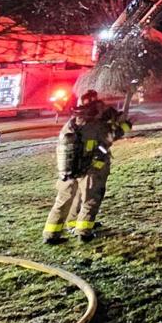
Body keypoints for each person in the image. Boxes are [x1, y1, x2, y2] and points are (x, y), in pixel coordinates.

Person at [41, 91, 102, 244]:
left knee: (63, 200)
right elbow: (103, 143)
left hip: (67, 171)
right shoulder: (93, 127)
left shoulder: (70, 124)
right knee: (90, 199)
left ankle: (51, 234)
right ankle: (83, 232)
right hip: (87, 169)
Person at [66, 103, 132, 241]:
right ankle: (83, 231)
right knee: (92, 198)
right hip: (94, 167)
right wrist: (125, 126)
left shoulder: (78, 124)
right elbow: (109, 138)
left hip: (81, 167)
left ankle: (74, 222)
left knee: (79, 194)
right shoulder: (96, 126)